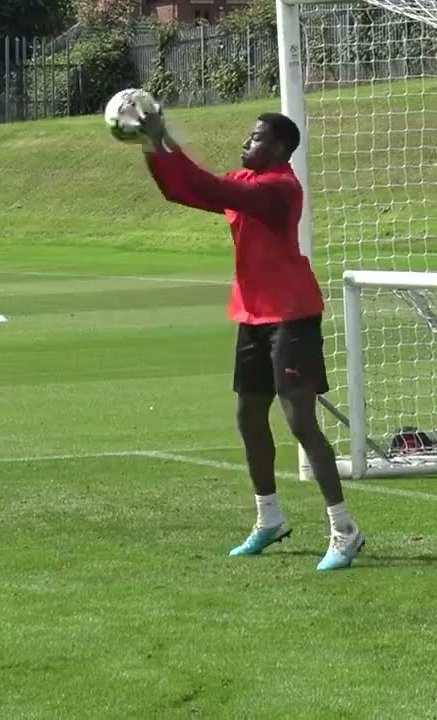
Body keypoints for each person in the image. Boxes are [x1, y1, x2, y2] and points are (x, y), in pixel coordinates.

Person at [139, 108, 365, 571]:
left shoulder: (279, 189)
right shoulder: (247, 179)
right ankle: (270, 520)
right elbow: (182, 190)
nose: (247, 141)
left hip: (291, 314)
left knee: (300, 422)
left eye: (257, 137)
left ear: (280, 149)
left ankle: (345, 530)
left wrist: (165, 137)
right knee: (248, 415)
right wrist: (151, 145)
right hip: (253, 313)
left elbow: (212, 187)